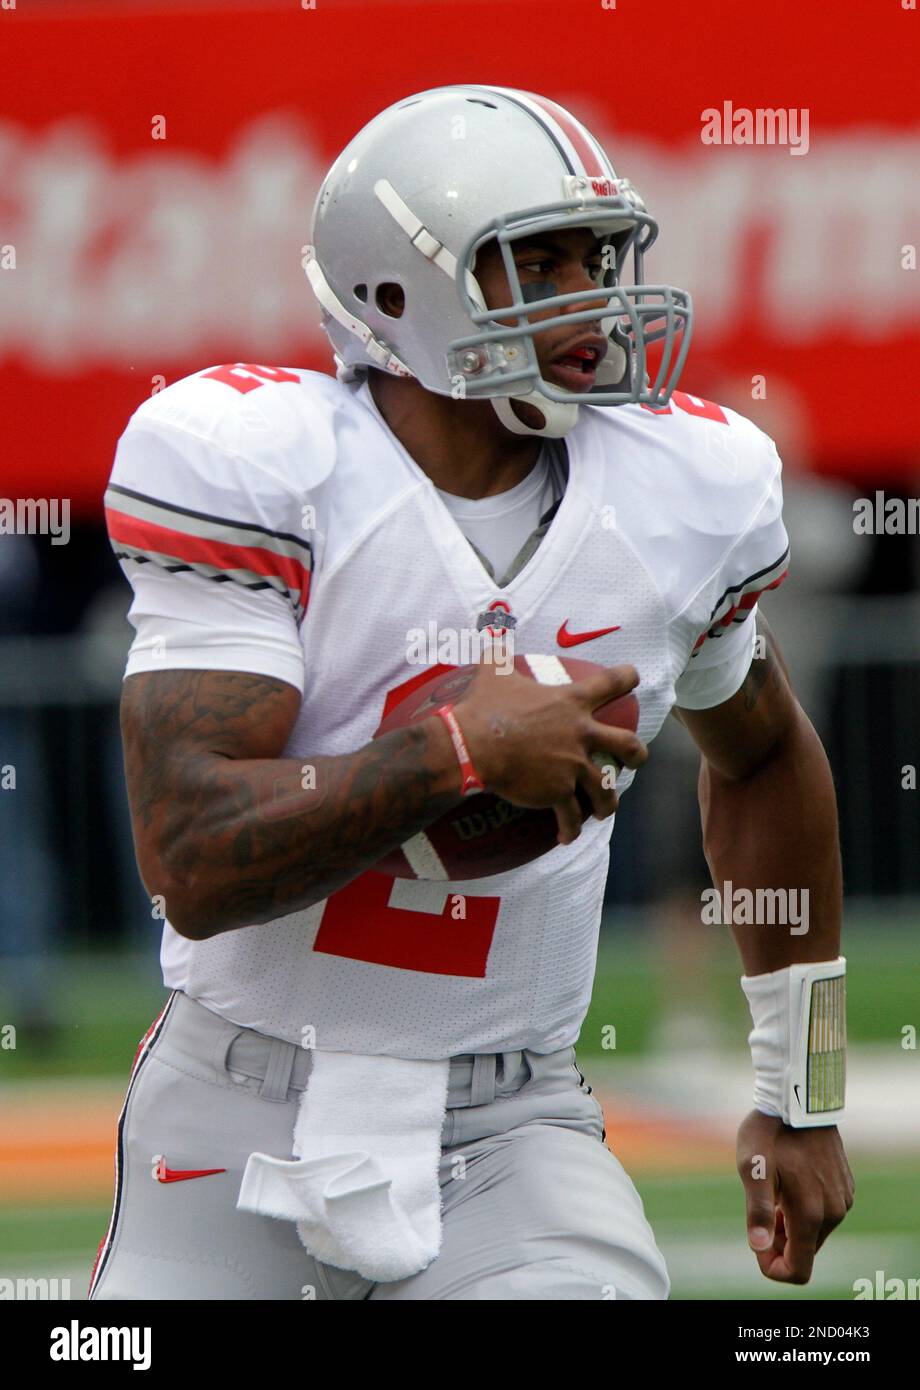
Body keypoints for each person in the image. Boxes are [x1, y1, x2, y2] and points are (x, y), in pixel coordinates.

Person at [91, 84, 852, 1301]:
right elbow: (190, 851)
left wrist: (800, 1090)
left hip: (512, 1120)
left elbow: (763, 754)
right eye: (535, 262)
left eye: (597, 257)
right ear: (396, 291)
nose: (592, 302)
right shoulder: (260, 468)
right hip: (234, 1106)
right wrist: (452, 753)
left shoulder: (677, 490)